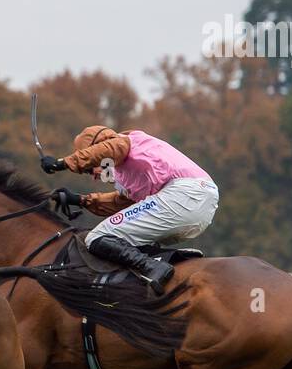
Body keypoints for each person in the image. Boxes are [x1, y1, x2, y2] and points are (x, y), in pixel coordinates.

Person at [41, 125, 218, 294]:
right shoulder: (131, 165)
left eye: (90, 168)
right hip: (199, 202)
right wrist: (80, 200)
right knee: (125, 235)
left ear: (98, 148)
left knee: (97, 237)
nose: (94, 175)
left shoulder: (124, 142)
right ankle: (173, 258)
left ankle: (154, 268)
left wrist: (62, 163)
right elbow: (123, 202)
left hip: (182, 195)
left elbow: (110, 149)